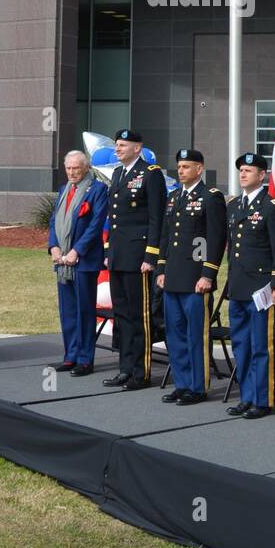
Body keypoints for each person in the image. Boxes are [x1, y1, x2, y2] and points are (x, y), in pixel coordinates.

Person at [225, 152, 275, 419]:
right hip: (239, 287)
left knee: (261, 346)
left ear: (262, 176)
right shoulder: (234, 206)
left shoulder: (272, 207)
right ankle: (246, 396)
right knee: (240, 344)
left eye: (249, 171)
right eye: (241, 170)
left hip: (262, 289)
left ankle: (262, 400)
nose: (243, 174)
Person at [156, 149, 227, 405]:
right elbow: (166, 236)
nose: (181, 171)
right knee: (174, 335)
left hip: (196, 279)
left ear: (199, 169)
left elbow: (216, 237)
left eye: (187, 166)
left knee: (196, 335)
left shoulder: (211, 197)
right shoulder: (174, 197)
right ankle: (182, 383)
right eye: (179, 166)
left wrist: (208, 274)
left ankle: (197, 387)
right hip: (173, 276)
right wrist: (161, 269)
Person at [103, 128, 167, 390]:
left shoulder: (150, 175)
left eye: (122, 145)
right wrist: (109, 252)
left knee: (140, 316)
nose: (117, 149)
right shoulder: (118, 174)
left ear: (137, 148)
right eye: (116, 145)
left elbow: (157, 218)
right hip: (119, 255)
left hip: (139, 257)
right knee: (122, 315)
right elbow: (113, 219)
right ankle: (125, 369)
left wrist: (151, 255)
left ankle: (141, 373)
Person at [47, 150, 108, 376]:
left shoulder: (98, 190)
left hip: (84, 262)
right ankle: (70, 356)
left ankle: (85, 359)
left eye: (76, 168)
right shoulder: (64, 190)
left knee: (84, 311)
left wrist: (76, 251)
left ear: (86, 168)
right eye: (69, 168)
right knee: (68, 311)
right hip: (62, 261)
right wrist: (53, 246)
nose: (72, 172)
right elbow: (54, 220)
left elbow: (95, 225)